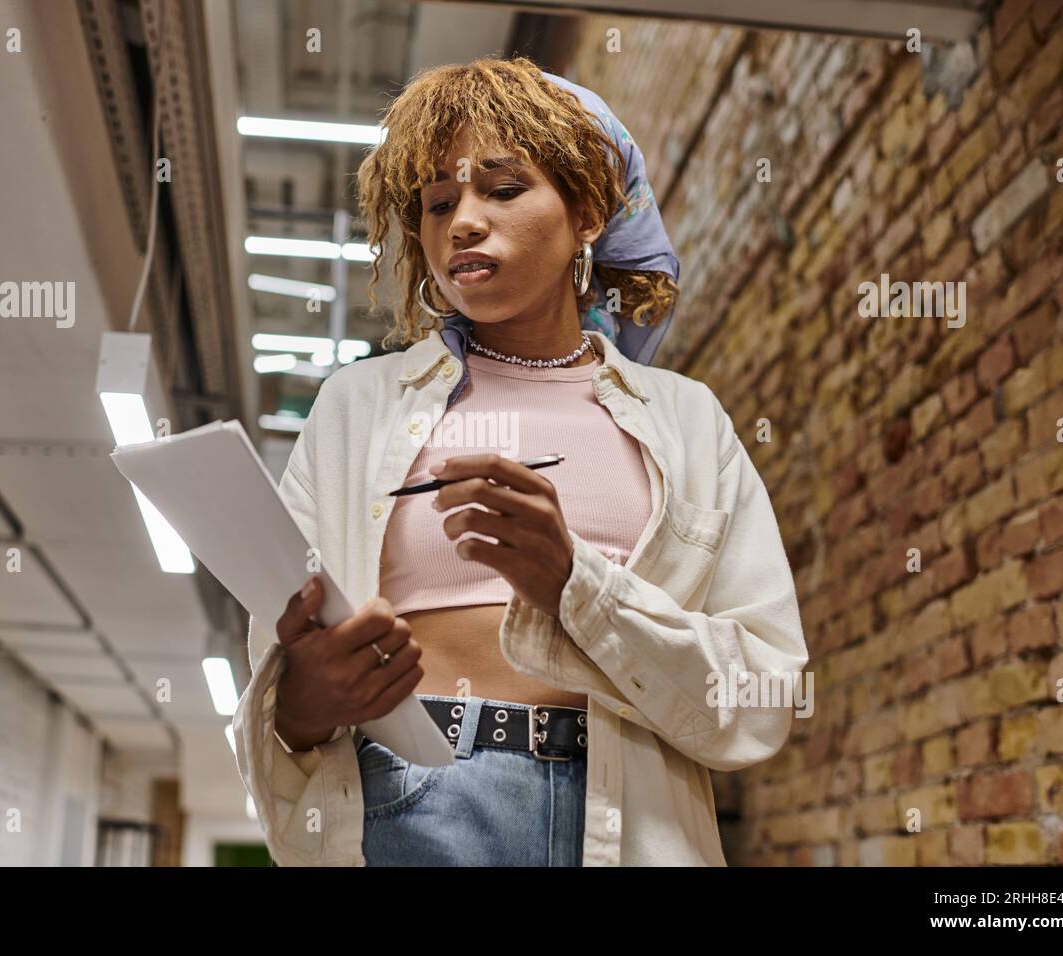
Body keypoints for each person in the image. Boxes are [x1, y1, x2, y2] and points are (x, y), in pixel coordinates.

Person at [232, 55, 808, 866]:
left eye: (502, 190)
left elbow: (761, 701)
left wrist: (575, 587)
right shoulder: (357, 407)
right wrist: (303, 701)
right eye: (438, 202)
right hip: (409, 802)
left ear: (587, 216)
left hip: (632, 823)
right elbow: (274, 689)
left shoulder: (688, 421)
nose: (462, 222)